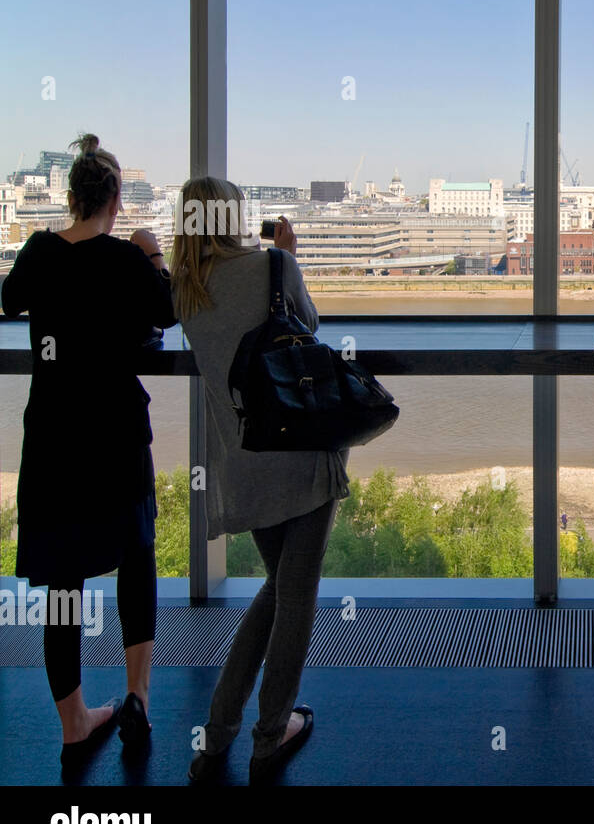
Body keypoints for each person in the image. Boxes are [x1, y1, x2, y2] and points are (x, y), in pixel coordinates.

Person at [1, 134, 175, 767]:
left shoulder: (42, 252)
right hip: (115, 433)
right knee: (136, 556)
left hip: (52, 438)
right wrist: (150, 252)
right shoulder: (126, 261)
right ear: (117, 200)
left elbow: (9, 298)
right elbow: (171, 306)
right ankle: (137, 694)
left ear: (71, 197)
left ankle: (75, 721)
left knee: (62, 581)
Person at [179, 178, 349, 785]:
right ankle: (269, 737)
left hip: (244, 463)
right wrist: (290, 256)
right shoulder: (274, 266)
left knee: (278, 587)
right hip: (300, 456)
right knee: (295, 598)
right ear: (233, 216)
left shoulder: (185, 289)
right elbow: (309, 327)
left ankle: (219, 731)